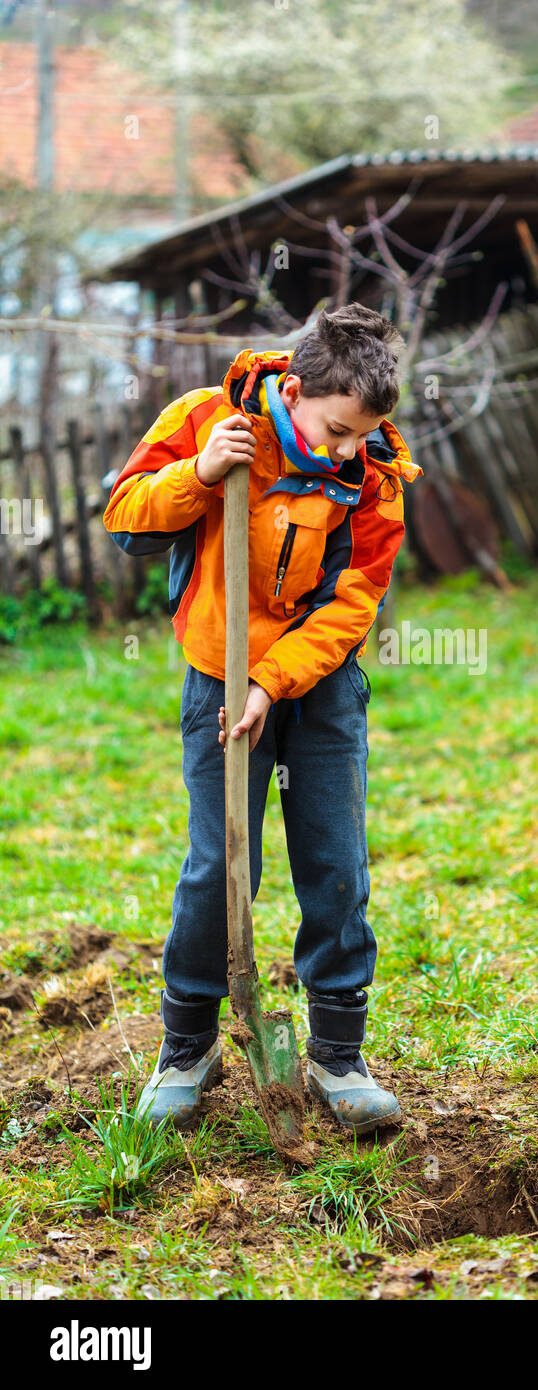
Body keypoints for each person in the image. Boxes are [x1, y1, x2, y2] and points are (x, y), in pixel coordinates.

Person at [102, 304, 423, 1135]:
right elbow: (125, 520)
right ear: (300, 387)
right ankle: (189, 1049)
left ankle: (337, 1055)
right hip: (218, 679)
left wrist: (274, 681)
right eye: (341, 429)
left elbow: (355, 600)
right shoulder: (212, 418)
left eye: (366, 434)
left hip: (317, 686)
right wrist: (202, 474)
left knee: (336, 863)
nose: (353, 447)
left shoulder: (375, 473)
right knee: (218, 866)